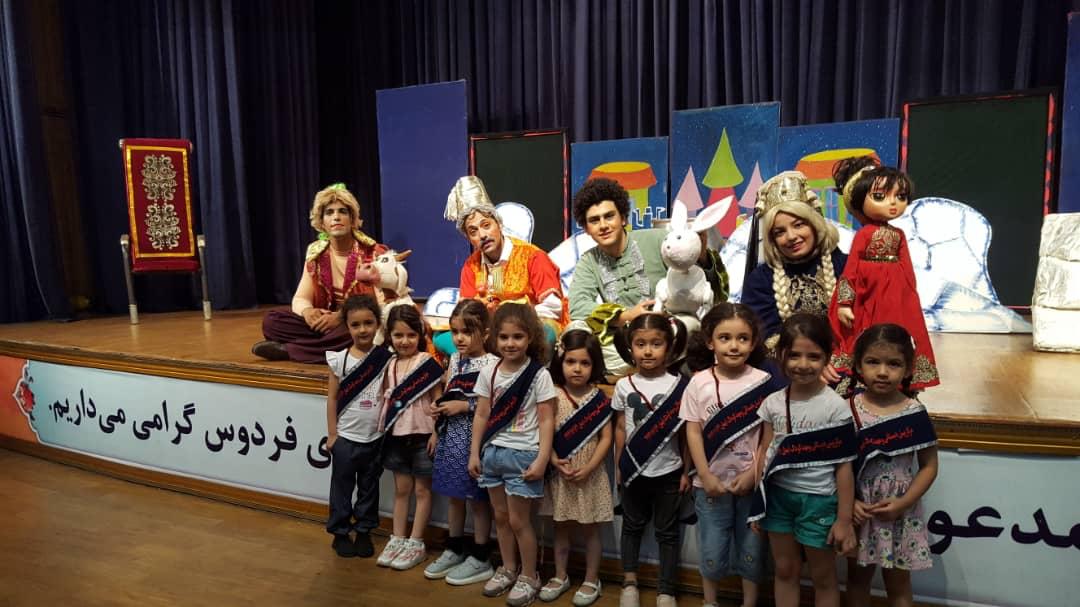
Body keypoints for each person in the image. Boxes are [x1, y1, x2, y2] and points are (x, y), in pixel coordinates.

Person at [569, 178, 729, 376]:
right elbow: (578, 306)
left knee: (687, 328)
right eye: (594, 220)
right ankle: (638, 367)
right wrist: (626, 316)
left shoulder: (658, 240)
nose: (603, 225)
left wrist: (701, 257)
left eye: (609, 216)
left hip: (668, 331)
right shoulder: (589, 261)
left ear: (623, 218)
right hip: (623, 341)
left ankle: (639, 369)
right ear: (586, 228)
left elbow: (706, 291)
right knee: (575, 331)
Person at [681, 304, 784, 607]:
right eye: (724, 338)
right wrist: (705, 475)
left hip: (752, 486)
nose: (734, 345)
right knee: (711, 550)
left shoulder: (763, 383)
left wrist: (753, 474)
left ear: (753, 343)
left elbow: (769, 436)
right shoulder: (698, 382)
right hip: (709, 486)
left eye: (742, 338)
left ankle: (749, 602)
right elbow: (693, 432)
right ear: (710, 341)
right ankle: (709, 601)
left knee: (752, 550)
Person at [753, 313, 857, 607]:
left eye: (813, 356)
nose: (803, 364)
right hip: (778, 499)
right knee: (785, 570)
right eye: (794, 355)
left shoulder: (836, 408)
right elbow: (764, 453)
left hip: (819, 501)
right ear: (780, 355)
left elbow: (844, 467)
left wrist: (844, 519)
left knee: (823, 576)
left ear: (827, 358)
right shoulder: (772, 403)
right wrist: (758, 505)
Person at [467, 303, 556, 607]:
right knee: (501, 518)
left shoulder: (539, 375)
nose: (510, 343)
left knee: (519, 521)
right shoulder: (488, 372)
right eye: (504, 337)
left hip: (523, 456)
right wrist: (474, 453)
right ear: (494, 338)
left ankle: (529, 576)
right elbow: (481, 414)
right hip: (492, 453)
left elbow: (546, 420)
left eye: (518, 336)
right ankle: (508, 568)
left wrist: (542, 458)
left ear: (530, 337)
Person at [844, 324, 939, 607]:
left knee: (898, 584)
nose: (883, 372)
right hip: (860, 511)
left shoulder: (914, 412)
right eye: (873, 362)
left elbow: (929, 466)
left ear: (908, 369)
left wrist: (903, 503)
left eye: (893, 364)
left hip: (900, 513)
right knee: (857, 580)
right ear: (858, 365)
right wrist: (849, 503)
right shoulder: (846, 409)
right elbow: (837, 465)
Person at [828, 158, 939, 392]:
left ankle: (901, 377)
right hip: (867, 292)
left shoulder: (898, 234)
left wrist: (909, 295)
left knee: (897, 331)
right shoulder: (864, 234)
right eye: (880, 197)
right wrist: (845, 303)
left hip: (896, 294)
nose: (893, 203)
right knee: (868, 331)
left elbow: (906, 266)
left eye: (900, 197)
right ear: (859, 200)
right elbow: (851, 269)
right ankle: (863, 376)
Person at [255, 184, 389, 363]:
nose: (336, 217)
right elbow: (300, 298)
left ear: (352, 219)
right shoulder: (316, 254)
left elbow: (384, 306)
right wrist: (308, 312)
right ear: (322, 222)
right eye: (329, 213)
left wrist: (341, 317)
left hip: (355, 323)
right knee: (272, 321)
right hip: (325, 323)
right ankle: (327, 348)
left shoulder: (374, 253)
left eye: (342, 211)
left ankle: (290, 351)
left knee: (362, 331)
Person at [611, 313, 690, 607]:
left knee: (667, 533)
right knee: (631, 527)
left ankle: (666, 590)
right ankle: (629, 582)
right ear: (630, 347)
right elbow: (621, 427)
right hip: (633, 470)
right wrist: (619, 465)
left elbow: (686, 433)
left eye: (656, 344)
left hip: (670, 471)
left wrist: (687, 470)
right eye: (640, 344)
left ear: (669, 347)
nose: (647, 351)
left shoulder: (681, 386)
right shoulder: (624, 385)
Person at [438, 175, 568, 355]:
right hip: (489, 330)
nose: (482, 235)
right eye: (473, 231)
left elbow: (553, 307)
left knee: (544, 334)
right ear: (468, 238)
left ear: (499, 224)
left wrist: (512, 318)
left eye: (486, 225)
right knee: (441, 337)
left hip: (529, 325)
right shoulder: (471, 266)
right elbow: (466, 313)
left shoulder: (533, 257)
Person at [425, 299, 498, 585]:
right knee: (454, 496)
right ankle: (454, 547)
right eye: (455, 332)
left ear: (486, 333)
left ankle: (481, 555)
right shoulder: (455, 359)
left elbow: (496, 405)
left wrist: (465, 407)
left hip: (475, 439)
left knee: (478, 500)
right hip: (451, 436)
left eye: (467, 332)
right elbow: (449, 393)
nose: (459, 338)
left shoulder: (493, 364)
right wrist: (437, 422)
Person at [538, 329, 613, 606]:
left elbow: (606, 438)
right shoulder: (552, 394)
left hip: (589, 475)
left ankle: (592, 579)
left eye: (585, 363)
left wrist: (590, 467)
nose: (577, 368)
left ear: (594, 365)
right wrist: (553, 459)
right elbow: (542, 431)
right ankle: (560, 575)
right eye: (571, 361)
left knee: (591, 529)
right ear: (561, 361)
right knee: (561, 527)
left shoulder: (599, 398)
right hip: (560, 474)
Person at [741, 172, 847, 361]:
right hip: (789, 367)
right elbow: (764, 339)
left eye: (798, 225)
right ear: (772, 239)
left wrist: (837, 361)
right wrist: (812, 362)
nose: (791, 237)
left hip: (845, 362)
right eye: (779, 232)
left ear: (814, 225)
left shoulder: (846, 266)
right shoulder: (760, 280)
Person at [375, 305, 444, 571]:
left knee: (422, 490)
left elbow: (438, 401)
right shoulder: (389, 364)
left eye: (411, 335)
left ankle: (416, 542)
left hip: (423, 436)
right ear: (389, 336)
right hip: (397, 436)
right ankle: (397, 538)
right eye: (398, 335)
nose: (405, 341)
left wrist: (437, 432)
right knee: (402, 490)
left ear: (420, 335)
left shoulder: (426, 363)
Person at [324, 295, 393, 559]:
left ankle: (364, 531)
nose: (363, 330)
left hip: (374, 438)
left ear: (378, 324)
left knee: (369, 488)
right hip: (345, 438)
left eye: (368, 323)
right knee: (341, 489)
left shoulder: (385, 359)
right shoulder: (339, 360)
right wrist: (333, 433)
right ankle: (340, 533)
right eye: (355, 325)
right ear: (347, 327)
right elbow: (332, 398)